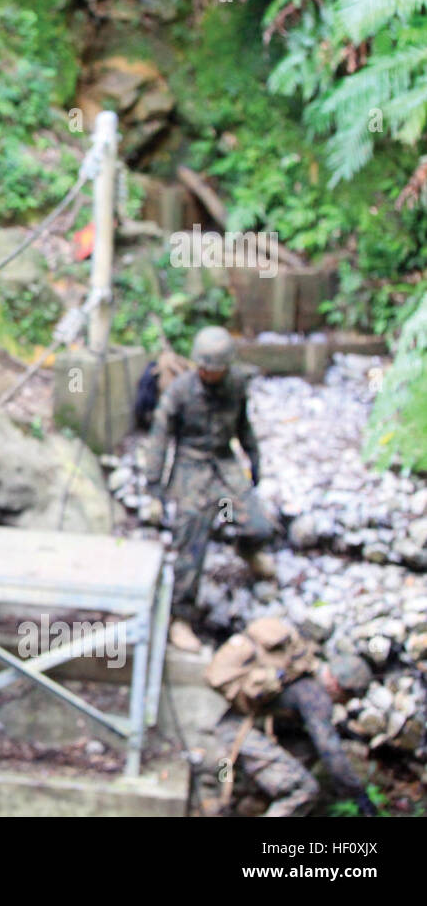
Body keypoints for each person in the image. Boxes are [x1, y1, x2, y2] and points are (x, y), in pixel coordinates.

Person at [144, 325, 277, 653]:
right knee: (190, 541)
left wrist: (254, 459)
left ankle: (246, 549)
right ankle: (180, 617)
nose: (209, 374)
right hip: (192, 467)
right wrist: (154, 487)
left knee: (258, 524)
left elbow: (243, 426)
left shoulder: (236, 387)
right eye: (204, 368)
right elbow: (159, 438)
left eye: (215, 370)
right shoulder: (180, 392)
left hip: (224, 464)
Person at [205, 620, 375, 817]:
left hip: (233, 730)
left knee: (304, 753)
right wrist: (358, 793)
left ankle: (245, 799)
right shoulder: (315, 695)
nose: (343, 703)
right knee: (303, 790)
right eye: (347, 697)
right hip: (238, 738)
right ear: (337, 686)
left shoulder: (302, 671)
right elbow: (330, 750)